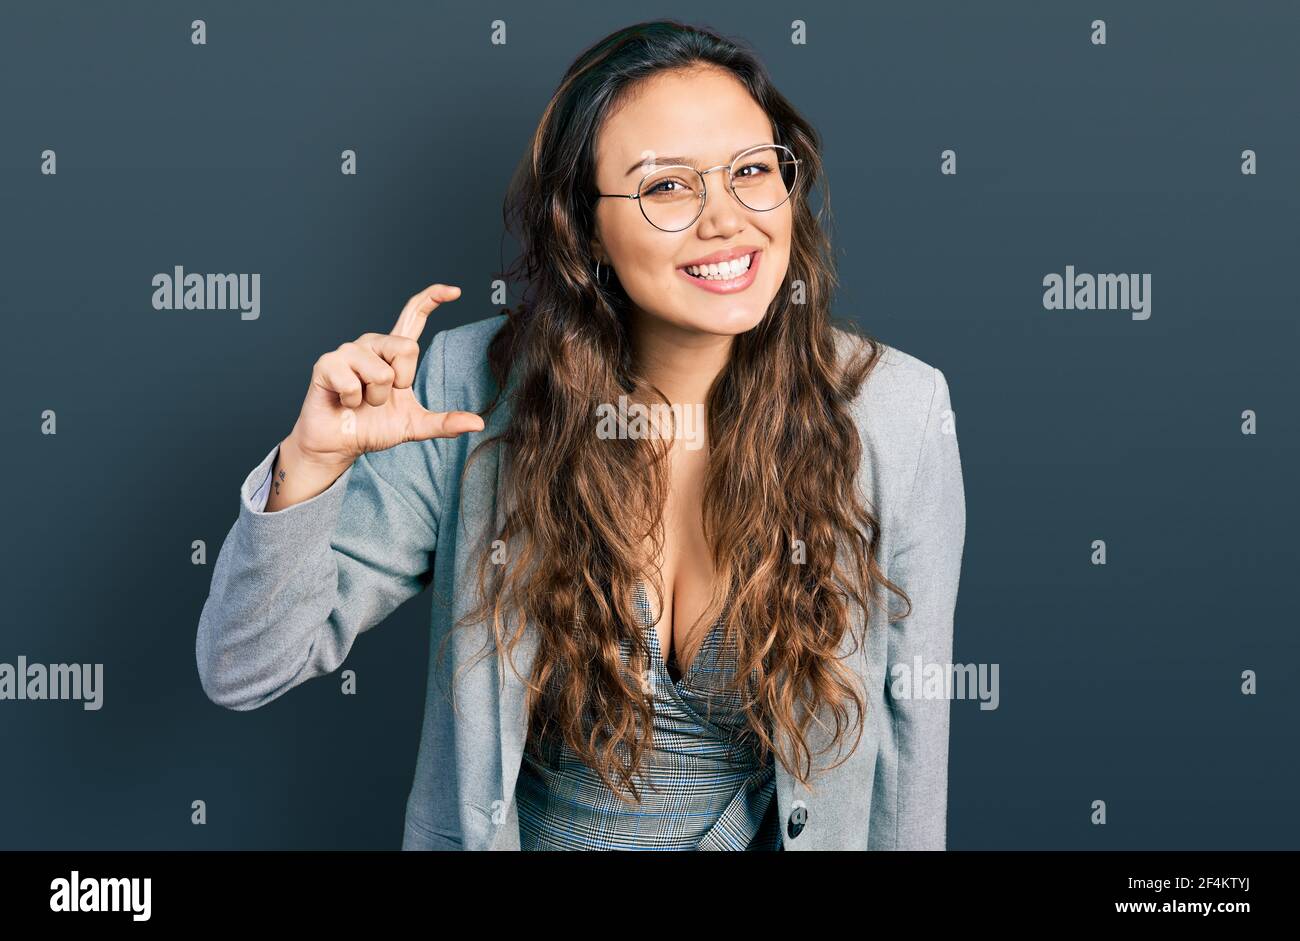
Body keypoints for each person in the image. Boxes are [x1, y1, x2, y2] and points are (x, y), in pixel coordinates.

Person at [196, 19, 966, 851]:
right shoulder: (466, 387)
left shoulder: (898, 412)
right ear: (585, 227)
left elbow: (909, 742)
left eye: (751, 171)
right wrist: (309, 467)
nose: (726, 220)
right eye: (667, 187)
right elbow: (246, 668)